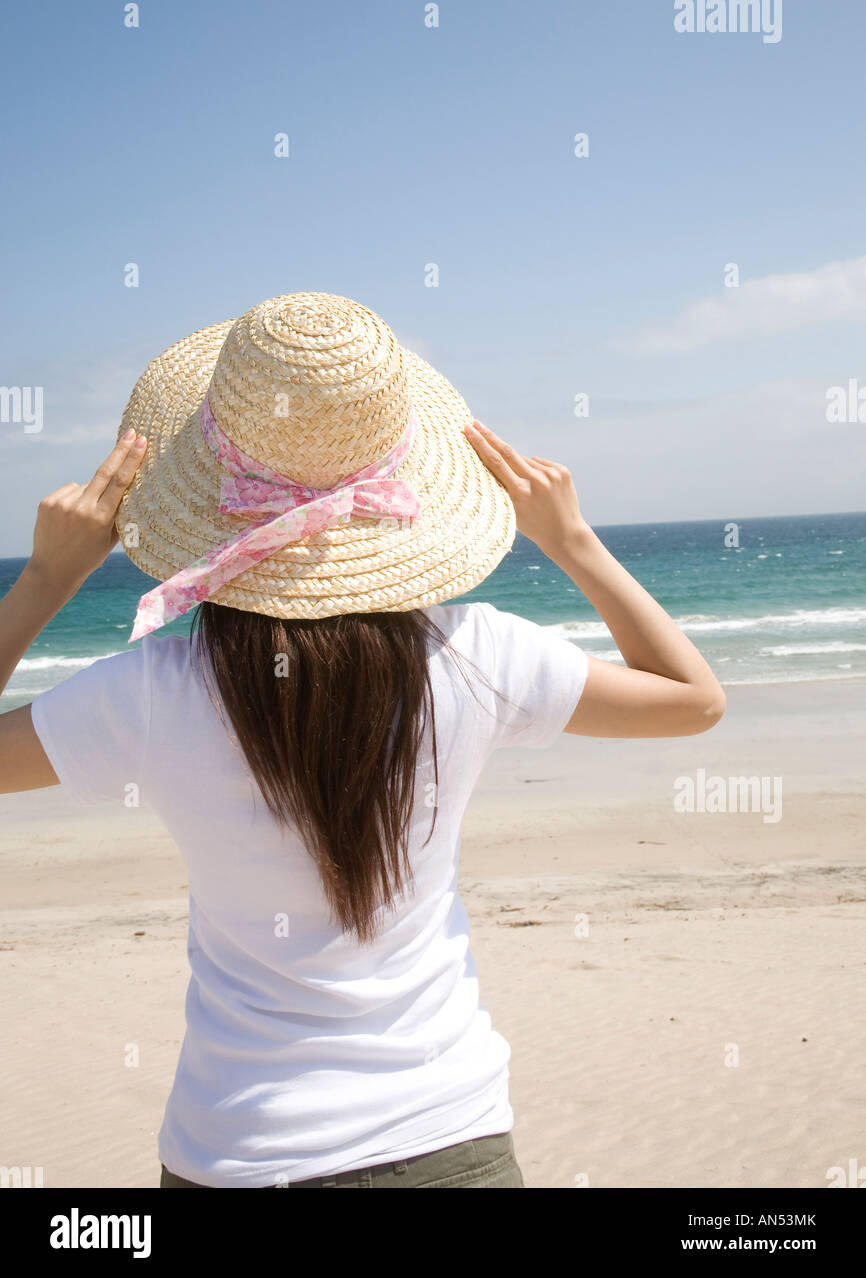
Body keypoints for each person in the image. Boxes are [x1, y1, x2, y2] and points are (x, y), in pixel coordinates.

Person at [0, 292, 725, 1189]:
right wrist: (573, 542)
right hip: (451, 1143)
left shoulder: (150, 693)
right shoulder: (480, 654)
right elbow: (694, 701)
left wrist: (42, 580)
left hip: (239, 1154)